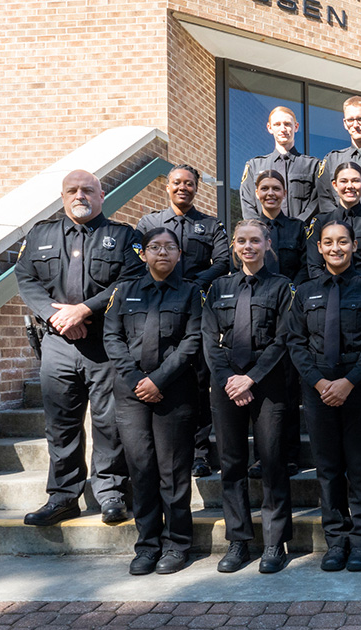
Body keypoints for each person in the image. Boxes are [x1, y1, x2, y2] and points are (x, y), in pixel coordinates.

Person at [15, 169, 142, 527]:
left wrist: (84, 310)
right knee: (60, 423)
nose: (80, 196)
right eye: (72, 190)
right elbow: (25, 277)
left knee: (108, 421)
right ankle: (63, 497)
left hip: (105, 341)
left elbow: (132, 279)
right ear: (63, 197)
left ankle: (111, 493)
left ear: (101, 196)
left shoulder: (123, 236)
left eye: (88, 190)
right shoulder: (40, 234)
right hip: (57, 342)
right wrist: (56, 316)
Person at [287, 219, 361, 572]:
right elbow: (296, 342)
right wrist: (319, 383)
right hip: (318, 389)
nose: (336, 248)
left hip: (359, 388)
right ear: (319, 247)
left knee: (360, 467)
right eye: (328, 242)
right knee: (328, 468)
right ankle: (336, 540)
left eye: (343, 241)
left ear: (354, 246)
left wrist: (349, 381)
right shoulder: (304, 292)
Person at [102, 227, 203, 575]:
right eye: (155, 247)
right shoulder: (124, 292)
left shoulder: (192, 292)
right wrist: (137, 380)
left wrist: (158, 380)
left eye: (169, 247)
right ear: (143, 254)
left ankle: (177, 545)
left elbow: (192, 341)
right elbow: (112, 338)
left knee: (173, 471)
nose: (162, 253)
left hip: (174, 390)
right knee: (141, 469)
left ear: (179, 254)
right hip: (131, 393)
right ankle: (147, 545)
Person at [202, 220, 297, 574]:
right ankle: (238, 540)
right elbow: (209, 338)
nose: (248, 246)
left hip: (268, 383)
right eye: (241, 240)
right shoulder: (218, 288)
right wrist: (230, 380)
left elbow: (284, 338)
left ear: (267, 244)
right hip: (227, 385)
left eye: (255, 240)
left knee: (272, 462)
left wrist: (251, 378)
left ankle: (274, 542)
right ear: (233, 245)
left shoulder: (282, 287)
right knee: (231, 464)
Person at [135, 164, 229, 479]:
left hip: (196, 310)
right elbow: (136, 259)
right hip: (156, 310)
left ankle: (200, 454)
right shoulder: (149, 223)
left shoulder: (211, 225)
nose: (183, 188)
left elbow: (223, 261)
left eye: (189, 183)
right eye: (177, 182)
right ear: (167, 186)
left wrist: (192, 285)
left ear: (197, 188)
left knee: (200, 382)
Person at [307, 162, 361, 407]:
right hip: (328, 292)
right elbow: (313, 266)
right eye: (344, 181)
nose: (350, 186)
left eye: (355, 181)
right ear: (334, 186)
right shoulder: (319, 221)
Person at [253, 169, 308, 477]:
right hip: (256, 312)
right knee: (259, 388)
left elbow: (306, 267)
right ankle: (262, 456)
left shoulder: (298, 228)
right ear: (257, 193)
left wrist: (288, 293)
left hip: (289, 311)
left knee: (287, 388)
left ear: (284, 193)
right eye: (265, 188)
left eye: (276, 188)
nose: (270, 193)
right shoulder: (249, 227)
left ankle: (288, 455)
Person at [239, 106, 325, 222]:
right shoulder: (254, 166)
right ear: (270, 128)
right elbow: (247, 203)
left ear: (296, 127)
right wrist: (260, 229)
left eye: (287, 124)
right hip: (262, 232)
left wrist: (295, 227)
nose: (283, 129)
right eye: (277, 124)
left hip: (301, 232)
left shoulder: (313, 166)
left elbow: (317, 202)